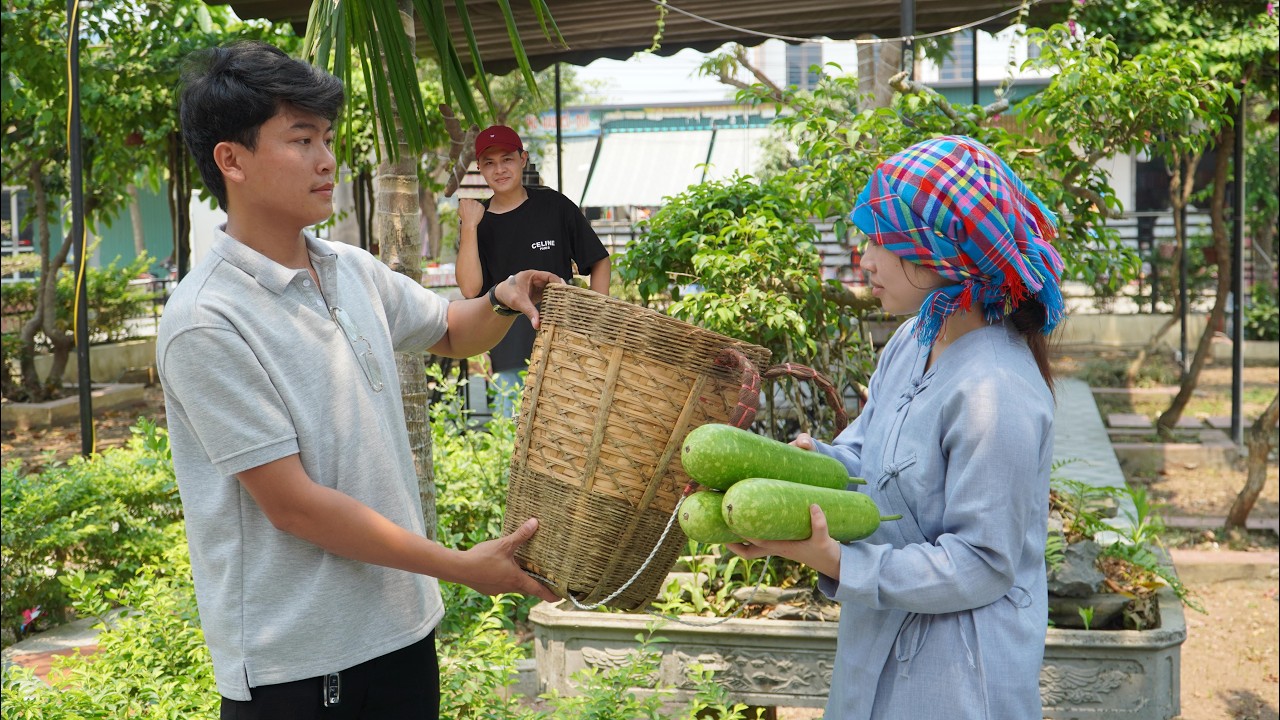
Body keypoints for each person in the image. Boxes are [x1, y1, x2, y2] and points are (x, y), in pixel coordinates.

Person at [157, 40, 559, 717]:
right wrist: (461, 565)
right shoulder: (207, 319)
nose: (326, 160)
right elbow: (295, 506)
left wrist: (502, 296)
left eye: (328, 138)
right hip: (304, 669)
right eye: (301, 138)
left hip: (400, 635)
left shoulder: (348, 267)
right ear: (233, 159)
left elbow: (453, 331)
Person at [729, 135, 1066, 720]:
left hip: (958, 678)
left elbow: (982, 563)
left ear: (939, 253)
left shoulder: (999, 391)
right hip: (877, 646)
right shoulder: (915, 340)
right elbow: (868, 458)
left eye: (881, 240)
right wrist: (807, 474)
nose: (865, 259)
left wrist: (836, 560)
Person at [456, 125, 610, 417]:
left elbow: (600, 261)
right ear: (479, 168)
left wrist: (596, 323)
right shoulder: (477, 222)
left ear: (522, 159)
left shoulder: (553, 206)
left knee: (569, 433)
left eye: (507, 159)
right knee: (510, 444)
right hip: (507, 354)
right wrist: (470, 227)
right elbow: (469, 289)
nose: (499, 169)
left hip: (564, 347)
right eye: (489, 163)